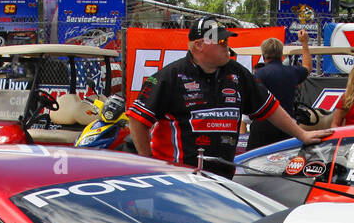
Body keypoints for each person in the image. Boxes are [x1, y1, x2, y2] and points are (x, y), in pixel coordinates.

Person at [127, 17, 329, 178]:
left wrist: (301, 135)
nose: (227, 46)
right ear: (199, 45)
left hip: (222, 178)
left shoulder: (237, 73)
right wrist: (150, 165)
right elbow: (137, 119)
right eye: (222, 41)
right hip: (178, 180)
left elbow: (270, 107)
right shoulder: (170, 76)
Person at [245, 29, 313, 150]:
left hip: (262, 128)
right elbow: (307, 67)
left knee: (252, 162)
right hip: (287, 127)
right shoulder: (292, 71)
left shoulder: (258, 74)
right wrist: (304, 44)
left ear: (263, 55)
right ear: (282, 54)